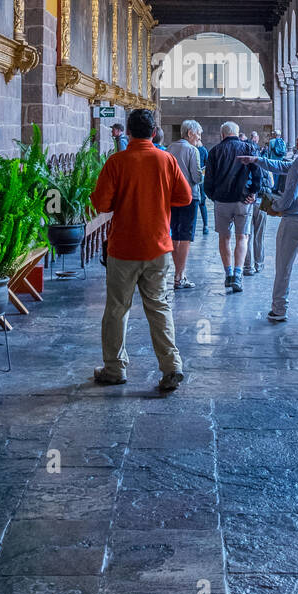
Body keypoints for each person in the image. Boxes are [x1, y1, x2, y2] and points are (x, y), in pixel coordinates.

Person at [89, 108, 191, 392]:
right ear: (154, 132)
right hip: (158, 247)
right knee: (159, 307)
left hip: (123, 249)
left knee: (116, 310)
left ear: (129, 132)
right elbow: (185, 197)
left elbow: (101, 205)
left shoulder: (117, 162)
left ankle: (114, 368)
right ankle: (172, 367)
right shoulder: (166, 160)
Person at [241, 122, 298, 324]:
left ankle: (279, 309)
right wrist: (256, 160)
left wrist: (271, 204)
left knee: (284, 267)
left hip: (296, 221)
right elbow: (284, 166)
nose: (297, 140)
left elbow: (289, 198)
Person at [203, 120, 261, 293]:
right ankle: (238, 275)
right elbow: (257, 172)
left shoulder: (214, 151)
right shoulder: (249, 148)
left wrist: (214, 196)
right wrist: (253, 192)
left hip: (222, 200)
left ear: (222, 134)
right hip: (243, 200)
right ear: (238, 132)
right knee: (242, 237)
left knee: (224, 237)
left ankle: (228, 273)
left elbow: (209, 180)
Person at [167, 120, 203, 291]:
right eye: (198, 134)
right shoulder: (192, 150)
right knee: (186, 236)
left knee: (175, 234)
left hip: (172, 198)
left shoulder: (170, 148)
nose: (199, 138)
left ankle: (179, 273)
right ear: (190, 133)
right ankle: (179, 277)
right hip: (189, 197)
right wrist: (203, 173)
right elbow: (196, 177)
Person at [243, 131, 269, 276]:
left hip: (246, 202)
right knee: (259, 235)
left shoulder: (242, 166)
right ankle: (258, 264)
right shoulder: (263, 164)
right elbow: (270, 185)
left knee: (246, 235)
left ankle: (248, 266)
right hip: (260, 202)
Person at [196, 135, 210, 233]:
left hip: (193, 180)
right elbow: (207, 166)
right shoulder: (204, 150)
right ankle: (205, 226)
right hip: (201, 179)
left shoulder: (192, 149)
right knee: (202, 203)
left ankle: (204, 225)